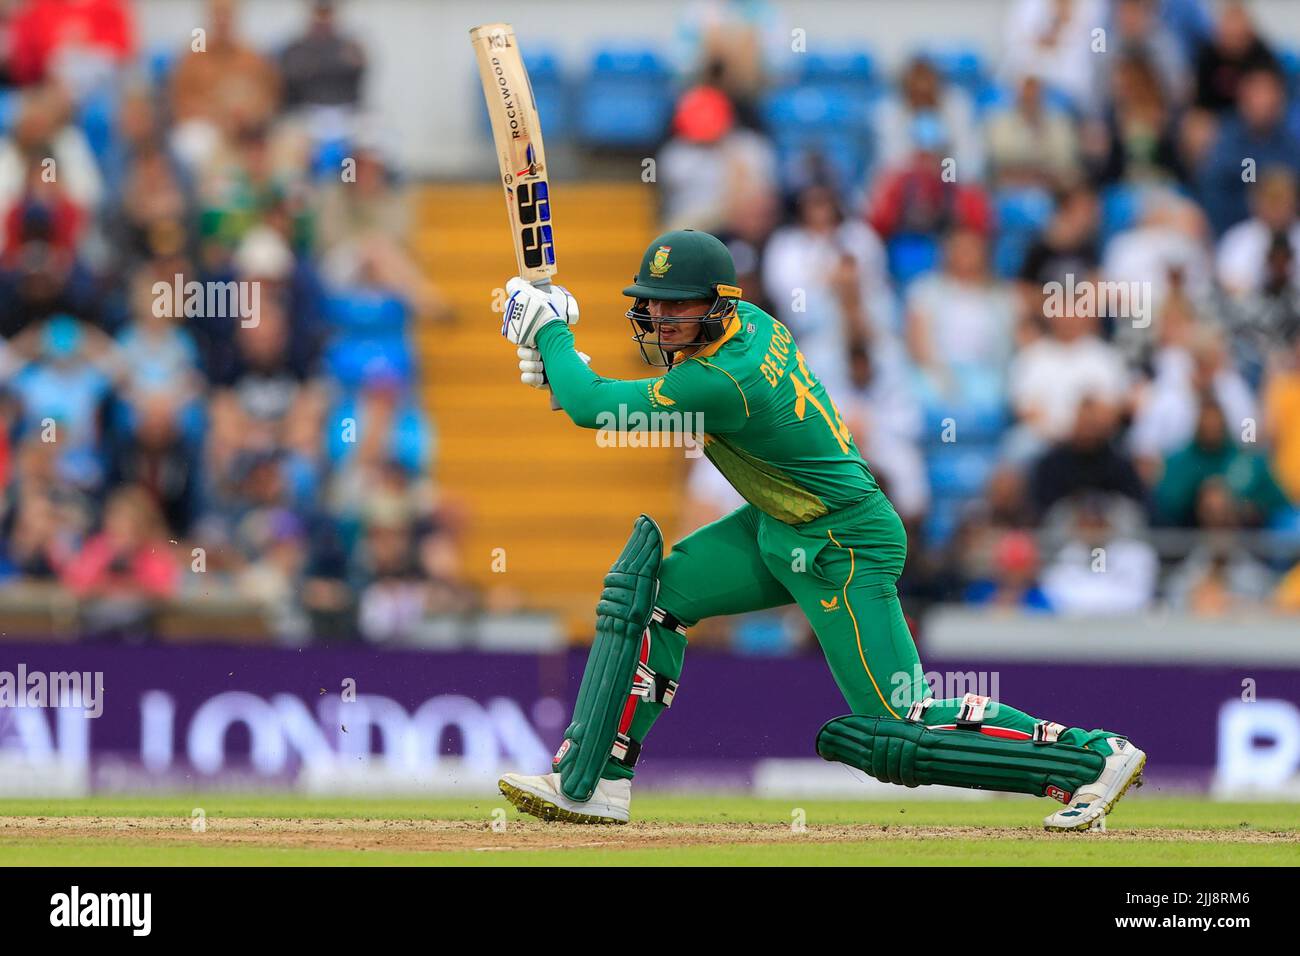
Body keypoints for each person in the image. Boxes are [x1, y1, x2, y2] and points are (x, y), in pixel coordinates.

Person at [494, 229, 1145, 830]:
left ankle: (1093, 760)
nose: (662, 319)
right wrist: (567, 370)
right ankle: (601, 781)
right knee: (656, 600)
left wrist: (553, 340)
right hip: (781, 523)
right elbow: (627, 407)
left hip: (843, 543)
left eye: (678, 306)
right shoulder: (747, 328)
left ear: (718, 305)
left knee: (900, 719)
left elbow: (600, 410)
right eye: (654, 305)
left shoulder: (728, 378)